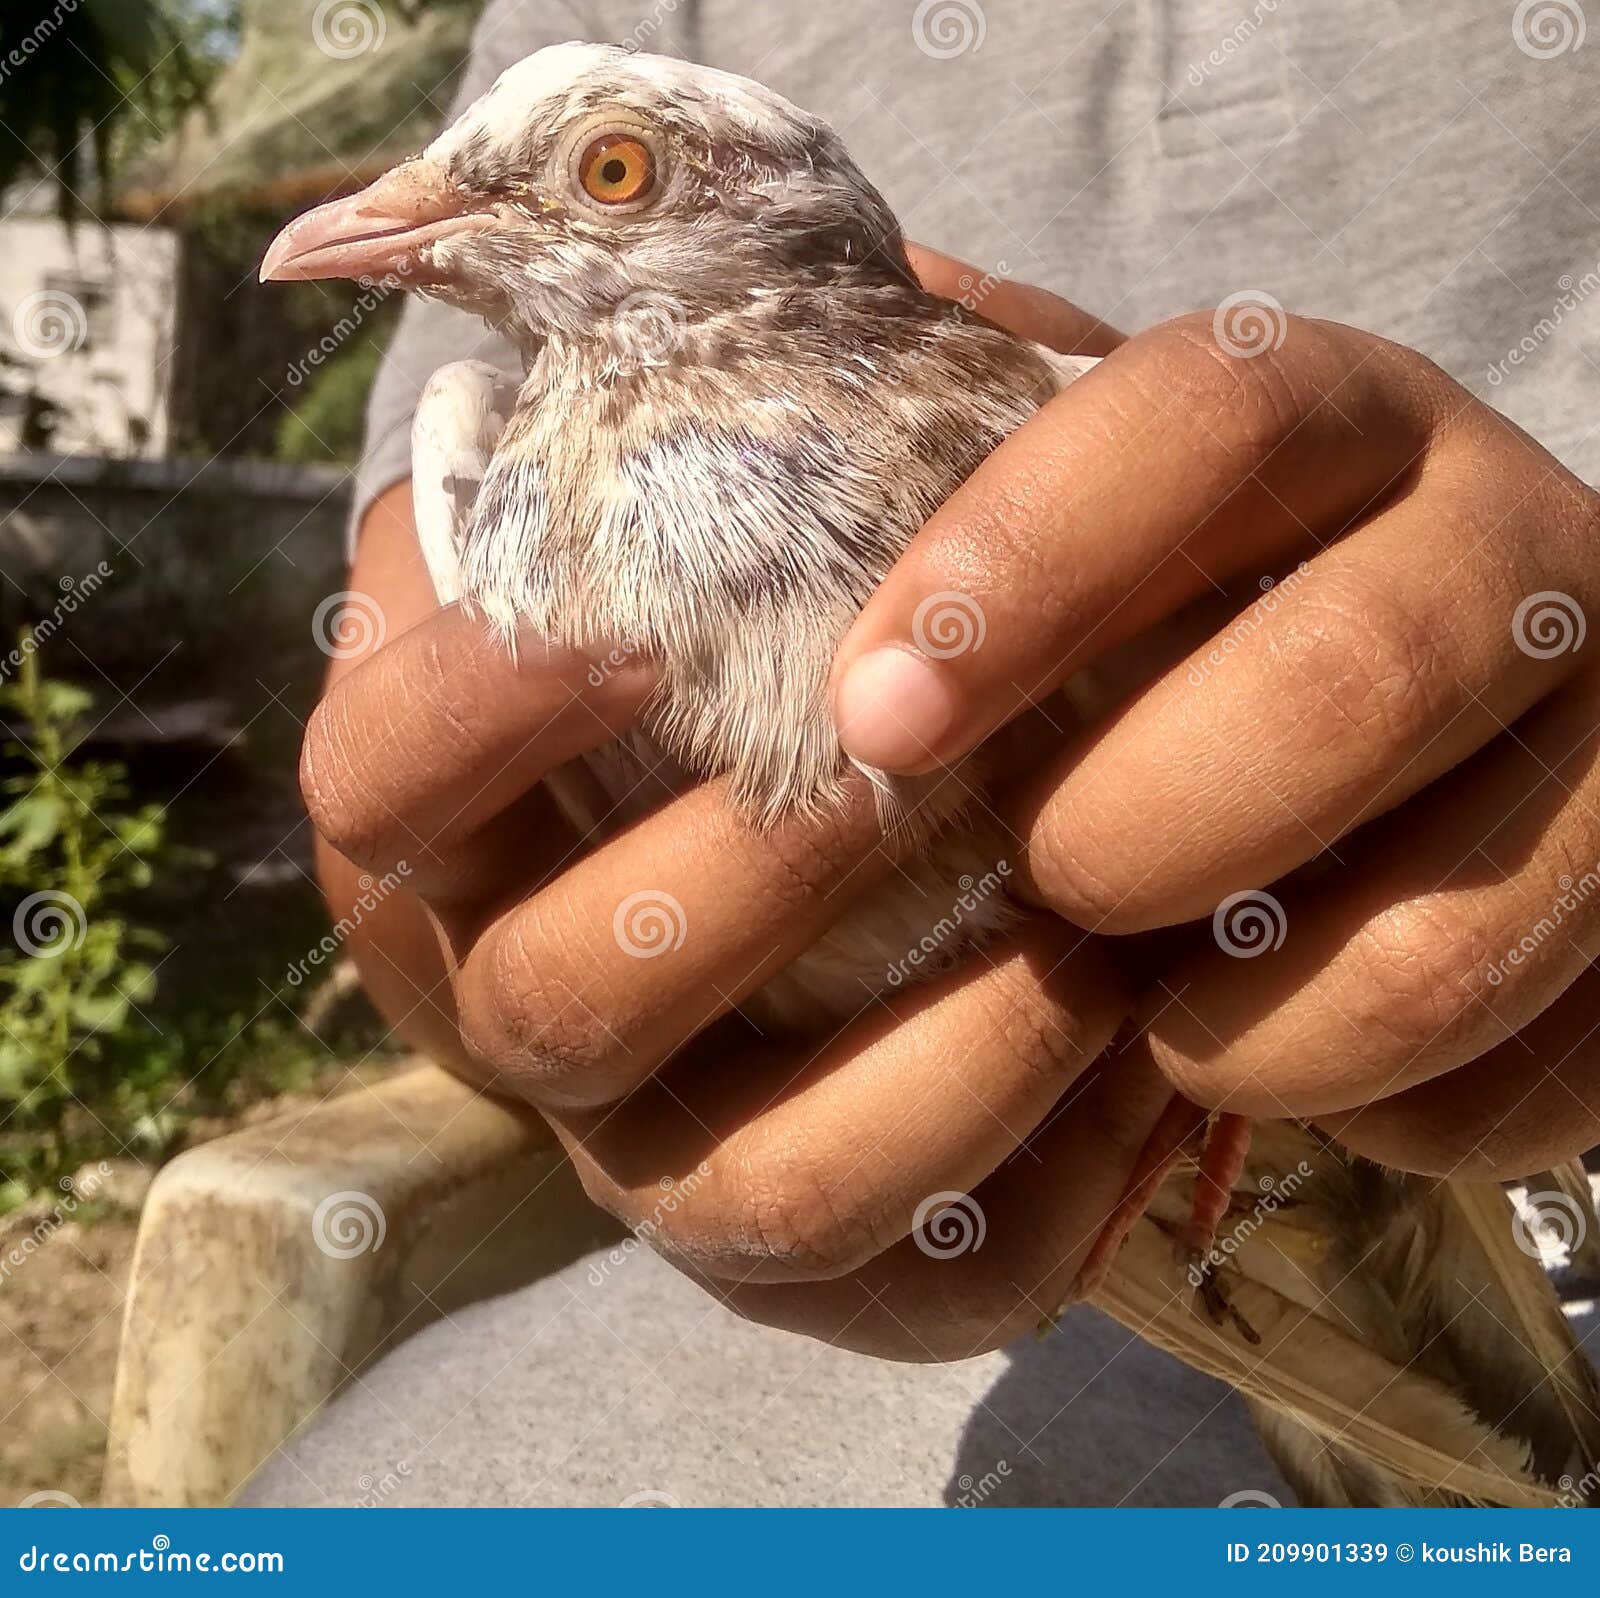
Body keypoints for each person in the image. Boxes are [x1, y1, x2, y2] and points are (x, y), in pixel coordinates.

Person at [271, 0, 1600, 1504]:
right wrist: (600, 1032)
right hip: (1024, 1235)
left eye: (614, 174)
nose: (390, 216)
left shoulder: (1012, 403)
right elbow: (398, 863)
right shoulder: (491, 454)